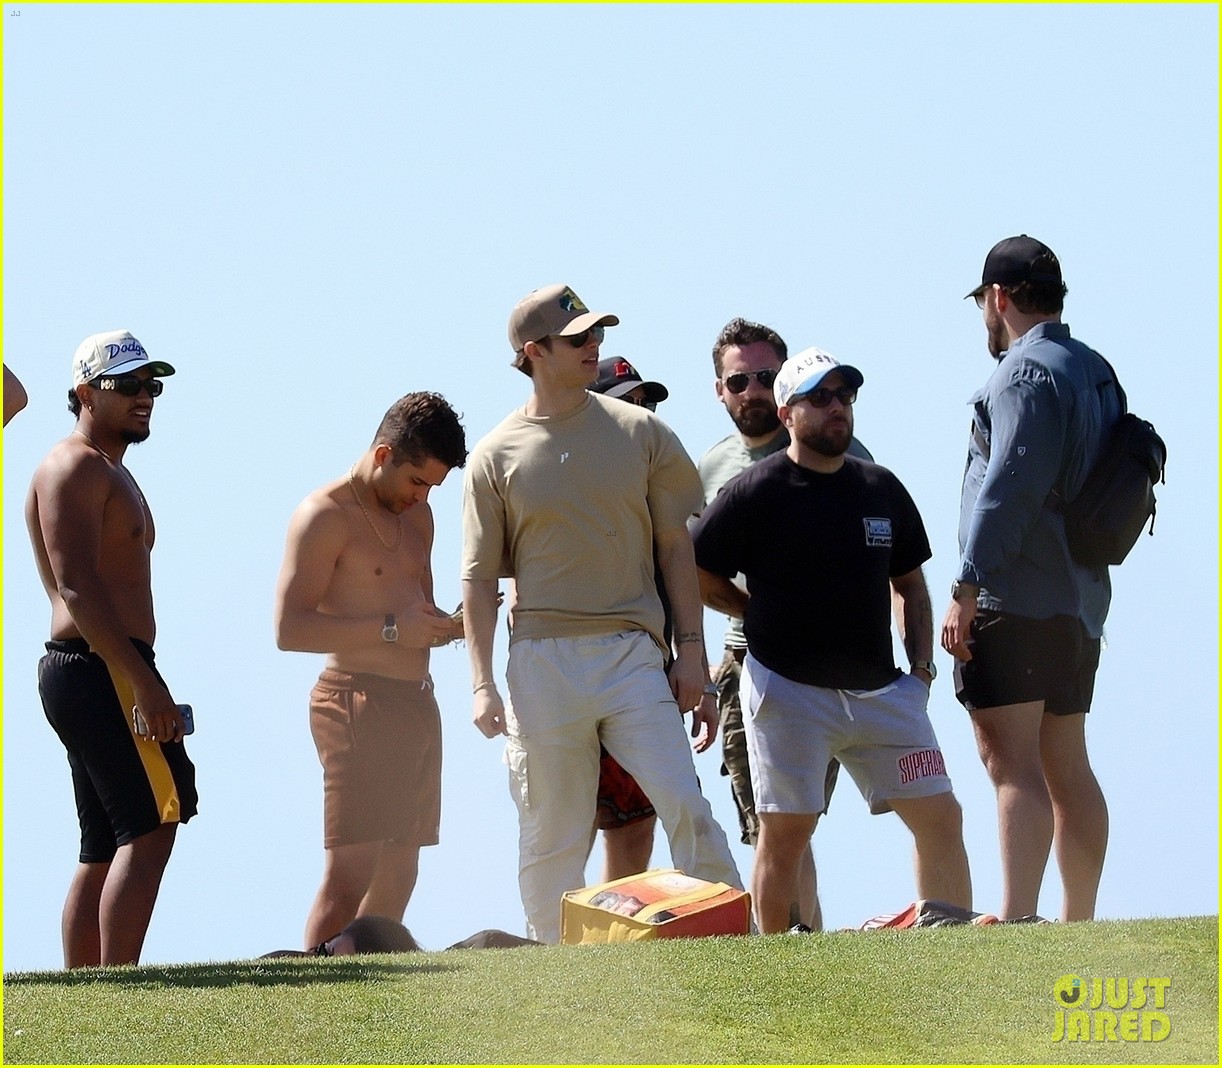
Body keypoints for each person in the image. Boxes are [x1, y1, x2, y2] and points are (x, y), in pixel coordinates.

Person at [462, 283, 741, 944]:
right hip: (539, 661)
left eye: (597, 335)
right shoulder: (493, 455)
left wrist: (692, 654)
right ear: (534, 352)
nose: (595, 347)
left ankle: (733, 948)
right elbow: (477, 580)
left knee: (685, 806)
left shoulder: (644, 434)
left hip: (631, 654)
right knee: (551, 834)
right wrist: (481, 684)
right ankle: (555, 976)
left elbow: (676, 548)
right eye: (579, 338)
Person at [693, 346, 971, 934]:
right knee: (787, 831)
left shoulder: (880, 487)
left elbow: (911, 588)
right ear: (788, 411)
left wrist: (920, 671)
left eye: (844, 396)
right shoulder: (755, 490)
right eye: (819, 398)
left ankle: (950, 940)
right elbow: (698, 573)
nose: (836, 408)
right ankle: (779, 965)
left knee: (941, 816)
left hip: (882, 693)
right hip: (787, 691)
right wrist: (753, 613)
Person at [941, 235, 1121, 923]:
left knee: (1010, 762)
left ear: (999, 298)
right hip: (1080, 604)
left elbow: (1005, 488)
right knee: (1067, 763)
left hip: (1015, 598)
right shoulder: (1093, 368)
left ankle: (1017, 918)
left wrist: (967, 586)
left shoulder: (1023, 373)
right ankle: (1078, 922)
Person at [26, 329, 198, 967]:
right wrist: (144, 685)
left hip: (104, 665)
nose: (143, 396)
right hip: (99, 665)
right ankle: (117, 987)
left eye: (150, 385)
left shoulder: (108, 471)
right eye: (125, 385)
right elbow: (76, 586)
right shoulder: (72, 465)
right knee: (154, 821)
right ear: (83, 393)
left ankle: (85, 995)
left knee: (104, 839)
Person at [697, 318, 873, 931]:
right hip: (744, 661)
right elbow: (691, 571)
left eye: (764, 377)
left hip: (827, 668)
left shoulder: (837, 452)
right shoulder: (708, 468)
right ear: (719, 390)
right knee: (770, 826)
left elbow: (879, 556)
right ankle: (800, 953)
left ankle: (798, 949)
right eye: (737, 380)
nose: (750, 390)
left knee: (794, 822)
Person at [274, 392, 468, 949]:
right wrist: (390, 628)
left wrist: (455, 626)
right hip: (354, 700)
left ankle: (365, 992)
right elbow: (290, 630)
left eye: (432, 486)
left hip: (416, 701)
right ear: (383, 454)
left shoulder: (420, 516)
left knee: (400, 869)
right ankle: (314, 1002)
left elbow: (416, 615)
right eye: (416, 482)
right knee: (349, 874)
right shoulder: (324, 514)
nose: (422, 496)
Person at [586, 357, 718, 882]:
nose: (642, 411)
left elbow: (684, 587)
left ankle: (612, 956)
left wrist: (700, 678)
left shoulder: (662, 488)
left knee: (636, 824)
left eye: (648, 402)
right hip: (566, 674)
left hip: (645, 674)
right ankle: (555, 958)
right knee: (562, 831)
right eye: (628, 401)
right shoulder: (560, 472)